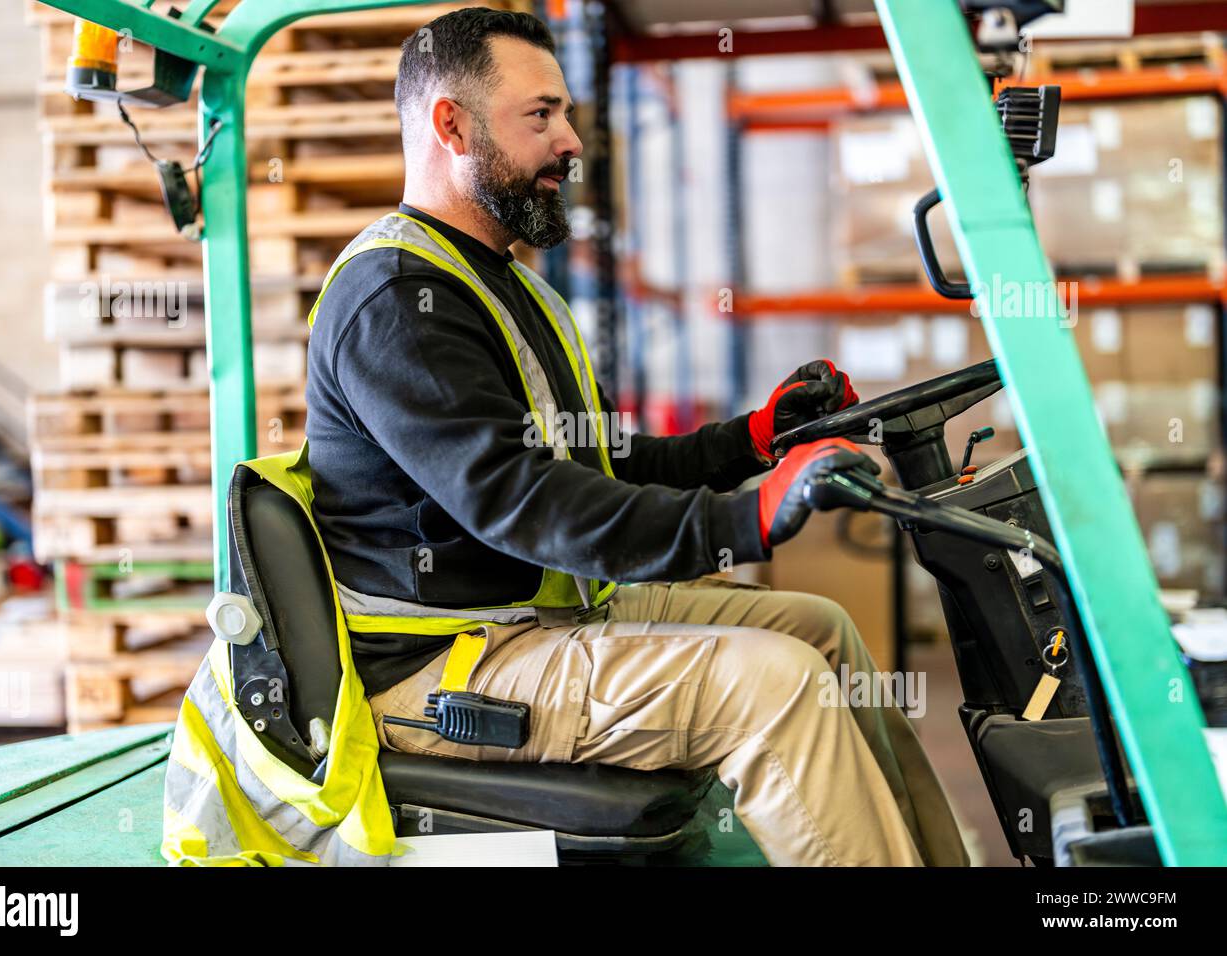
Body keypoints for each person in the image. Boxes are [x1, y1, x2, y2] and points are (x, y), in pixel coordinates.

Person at [304, 6, 969, 867]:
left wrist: (755, 440)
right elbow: (523, 502)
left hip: (535, 615)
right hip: (445, 671)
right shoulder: (396, 301)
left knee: (823, 630)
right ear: (451, 126)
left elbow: (602, 460)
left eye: (566, 114)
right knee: (780, 687)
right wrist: (743, 524)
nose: (572, 141)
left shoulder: (506, 284)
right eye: (540, 116)